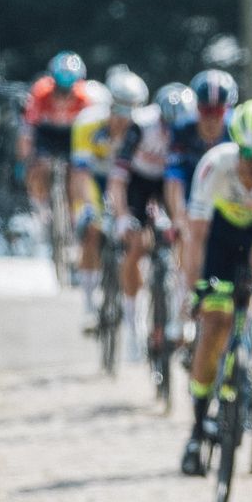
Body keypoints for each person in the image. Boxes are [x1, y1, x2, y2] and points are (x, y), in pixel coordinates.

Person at [179, 99, 252, 475]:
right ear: (237, 146)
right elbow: (195, 236)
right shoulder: (215, 164)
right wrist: (193, 288)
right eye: (247, 153)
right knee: (214, 325)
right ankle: (197, 429)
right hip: (222, 238)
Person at [71, 68, 152, 338]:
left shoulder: (142, 131)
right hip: (94, 180)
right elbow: (80, 175)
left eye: (130, 111)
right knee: (92, 231)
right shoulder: (87, 124)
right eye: (118, 109)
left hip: (126, 183)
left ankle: (133, 314)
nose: (122, 118)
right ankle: (89, 306)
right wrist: (89, 210)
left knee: (134, 238)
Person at [164, 68, 239, 242]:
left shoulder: (236, 128)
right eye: (205, 111)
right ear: (196, 107)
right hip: (192, 183)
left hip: (226, 184)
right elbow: (175, 177)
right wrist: (178, 216)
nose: (211, 119)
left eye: (218, 111)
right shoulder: (183, 128)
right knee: (187, 231)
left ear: (227, 109)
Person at [20, 51, 90, 227]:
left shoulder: (84, 96)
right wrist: (25, 158)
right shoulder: (41, 91)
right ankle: (40, 205)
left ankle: (74, 210)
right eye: (60, 89)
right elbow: (28, 128)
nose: (64, 95)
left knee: (76, 171)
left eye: (69, 90)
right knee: (40, 165)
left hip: (71, 134)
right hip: (47, 132)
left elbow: (90, 128)